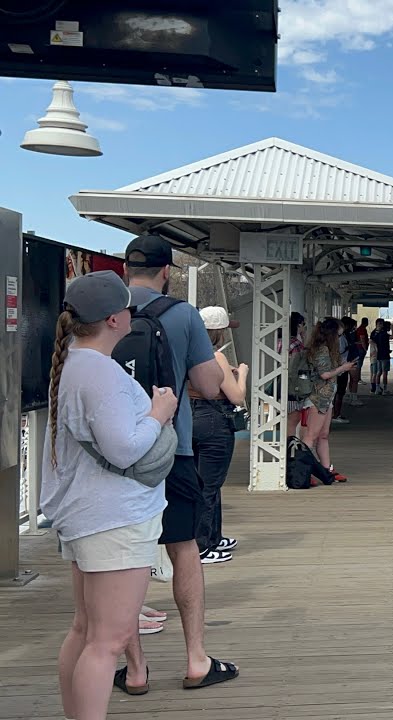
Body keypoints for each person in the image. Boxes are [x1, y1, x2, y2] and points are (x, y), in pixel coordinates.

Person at [41, 271, 179, 719]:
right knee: (109, 642)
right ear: (117, 319)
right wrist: (159, 413)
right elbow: (123, 448)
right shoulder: (101, 372)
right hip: (115, 520)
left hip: (90, 515)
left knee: (85, 632)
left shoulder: (75, 362)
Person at [120, 234, 239, 692]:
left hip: (117, 454)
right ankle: (195, 660)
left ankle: (134, 669)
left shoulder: (105, 312)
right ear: (167, 271)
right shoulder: (182, 315)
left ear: (127, 270)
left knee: (124, 556)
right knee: (184, 547)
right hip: (173, 450)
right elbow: (210, 386)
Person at [191, 306, 248, 564]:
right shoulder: (216, 357)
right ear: (219, 333)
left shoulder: (186, 351)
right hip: (215, 421)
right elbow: (236, 396)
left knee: (200, 483)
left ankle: (213, 537)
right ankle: (202, 546)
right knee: (210, 485)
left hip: (190, 419)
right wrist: (243, 375)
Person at [305, 318, 354, 482]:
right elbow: (324, 374)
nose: (340, 339)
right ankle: (305, 470)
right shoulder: (322, 350)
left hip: (326, 398)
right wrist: (343, 368)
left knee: (323, 435)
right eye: (339, 336)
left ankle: (326, 470)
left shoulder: (327, 350)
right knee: (311, 436)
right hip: (317, 398)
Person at [287, 311, 309, 438]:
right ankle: (291, 448)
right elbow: (302, 362)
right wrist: (304, 335)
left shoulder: (280, 341)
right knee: (293, 418)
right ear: (299, 325)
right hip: (293, 385)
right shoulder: (296, 344)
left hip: (278, 383)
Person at [369, 319, 393, 394]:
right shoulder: (384, 334)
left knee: (378, 372)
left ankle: (377, 389)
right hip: (385, 356)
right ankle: (385, 390)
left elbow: (372, 341)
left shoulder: (376, 334)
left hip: (378, 356)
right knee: (385, 373)